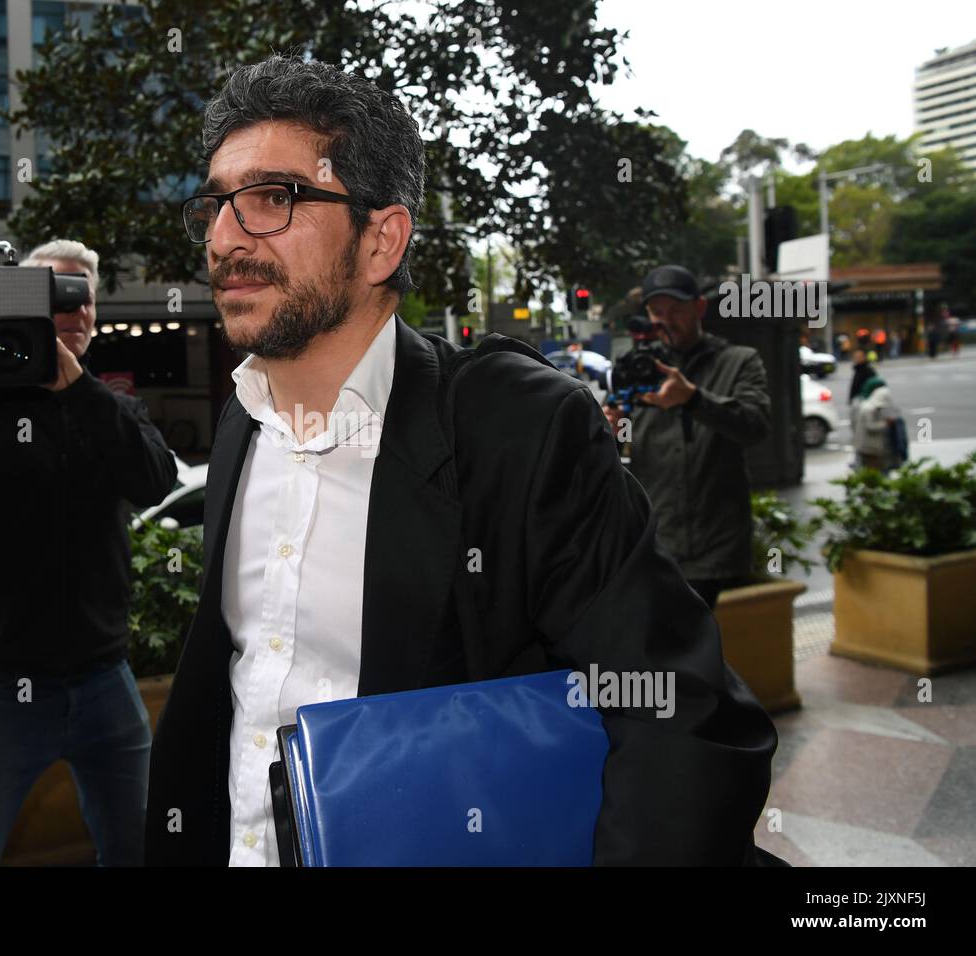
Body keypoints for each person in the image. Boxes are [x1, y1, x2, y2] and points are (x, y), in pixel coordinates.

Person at [145, 55, 778, 867]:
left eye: (274, 198)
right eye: (216, 204)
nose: (226, 237)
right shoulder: (242, 422)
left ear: (382, 240)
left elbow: (680, 714)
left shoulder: (519, 426)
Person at [0, 238, 177, 866]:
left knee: (139, 852)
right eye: (57, 296)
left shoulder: (108, 406)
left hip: (104, 679)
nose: (78, 312)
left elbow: (156, 480)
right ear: (16, 304)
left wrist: (78, 393)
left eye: (85, 299)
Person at [602, 265, 772, 612]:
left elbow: (755, 426)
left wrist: (693, 399)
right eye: (656, 312)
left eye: (676, 309)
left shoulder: (739, 361)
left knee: (694, 650)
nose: (666, 319)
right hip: (653, 543)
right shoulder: (635, 369)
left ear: (699, 308)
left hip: (713, 550)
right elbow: (617, 453)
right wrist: (612, 428)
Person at [851, 374, 902, 471]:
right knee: (873, 471)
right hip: (869, 447)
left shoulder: (866, 405)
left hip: (867, 446)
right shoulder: (869, 409)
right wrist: (886, 423)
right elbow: (870, 426)